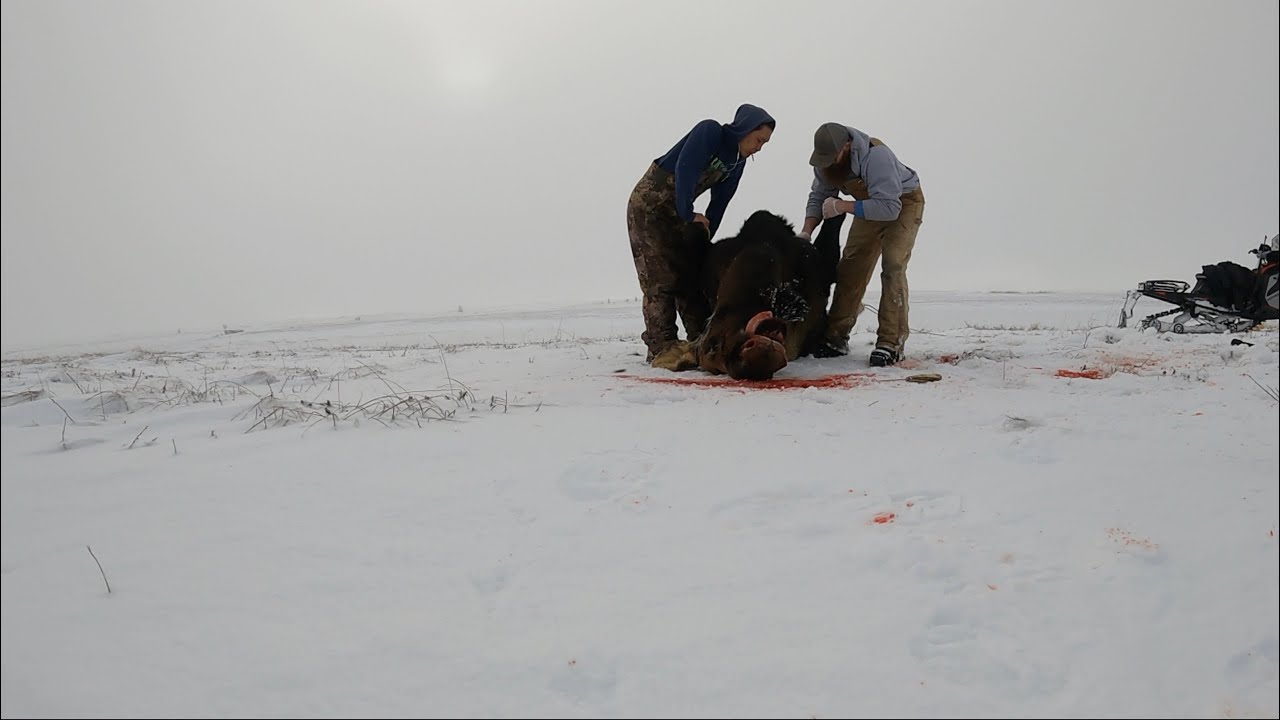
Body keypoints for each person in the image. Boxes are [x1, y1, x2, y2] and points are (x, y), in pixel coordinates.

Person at [626, 104, 776, 364]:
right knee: (660, 278)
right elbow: (686, 168)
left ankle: (701, 340)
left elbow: (720, 202)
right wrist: (687, 213)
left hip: (681, 213)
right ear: (746, 128)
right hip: (650, 206)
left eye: (765, 143)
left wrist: (704, 241)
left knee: (690, 273)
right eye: (759, 139)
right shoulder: (711, 132)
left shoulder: (736, 163)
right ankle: (662, 346)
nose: (760, 147)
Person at [799, 122, 924, 367]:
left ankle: (890, 342)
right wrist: (805, 232)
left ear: (846, 146)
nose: (828, 163)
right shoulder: (825, 164)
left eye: (832, 157)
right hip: (868, 205)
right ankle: (835, 337)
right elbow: (819, 196)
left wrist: (844, 206)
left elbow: (890, 208)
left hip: (902, 203)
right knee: (851, 267)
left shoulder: (876, 158)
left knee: (893, 265)